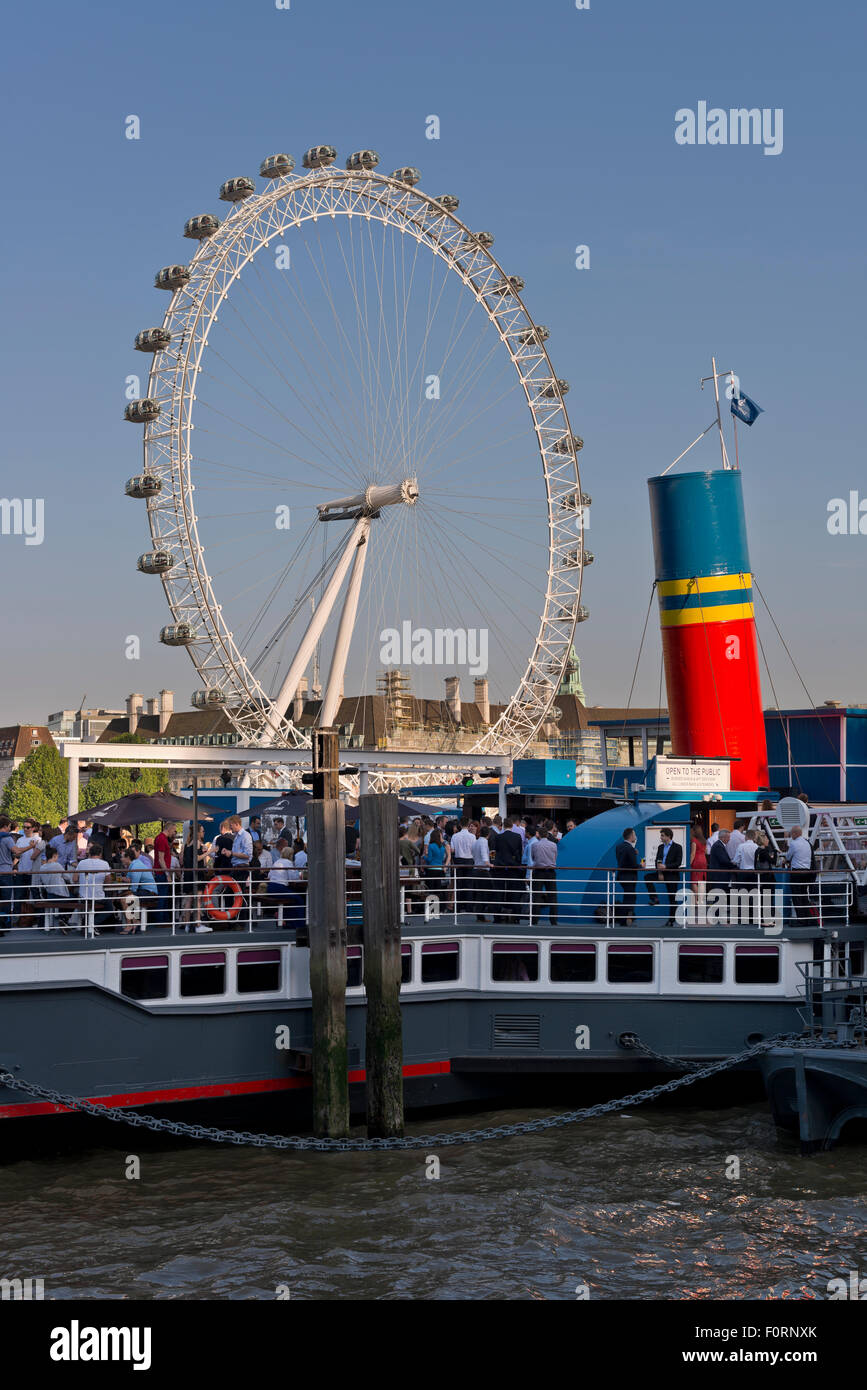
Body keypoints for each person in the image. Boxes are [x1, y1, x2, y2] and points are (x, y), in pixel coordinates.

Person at [31, 844, 73, 932]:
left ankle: (63, 920)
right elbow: (67, 877)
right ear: (54, 856)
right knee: (74, 899)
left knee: (66, 901)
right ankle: (64, 918)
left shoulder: (42, 867)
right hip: (60, 895)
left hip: (50, 895)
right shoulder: (57, 865)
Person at [74, 842, 113, 933]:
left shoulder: (81, 863)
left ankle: (89, 925)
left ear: (90, 853)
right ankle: (92, 924)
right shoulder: (104, 864)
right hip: (98, 897)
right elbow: (108, 882)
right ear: (100, 854)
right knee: (110, 908)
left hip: (83, 897)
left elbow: (75, 879)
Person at [646, 828, 682, 925]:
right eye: (661, 835)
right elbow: (657, 860)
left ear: (668, 836)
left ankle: (671, 920)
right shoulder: (660, 847)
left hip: (672, 875)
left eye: (662, 835)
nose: (660, 837)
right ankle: (654, 898)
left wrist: (666, 867)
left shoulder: (678, 847)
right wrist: (659, 873)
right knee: (647, 877)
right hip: (661, 873)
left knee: (672, 898)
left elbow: (678, 862)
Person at [493, 817, 524, 923]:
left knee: (498, 893)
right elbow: (520, 852)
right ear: (512, 826)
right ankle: (516, 917)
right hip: (513, 867)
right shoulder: (517, 837)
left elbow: (495, 851)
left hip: (500, 868)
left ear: (503, 825)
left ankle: (497, 917)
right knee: (514, 893)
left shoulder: (498, 837)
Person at [529, 822, 558, 926]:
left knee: (537, 896)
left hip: (539, 871)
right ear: (547, 834)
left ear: (539, 835)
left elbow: (533, 858)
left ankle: (534, 921)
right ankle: (553, 921)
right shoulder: (554, 845)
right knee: (553, 897)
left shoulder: (535, 845)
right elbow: (555, 857)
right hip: (550, 871)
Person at [229, 815, 254, 928]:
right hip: (236, 868)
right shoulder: (238, 836)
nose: (230, 828)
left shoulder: (245, 836)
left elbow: (248, 855)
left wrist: (231, 853)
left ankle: (242, 921)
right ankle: (239, 920)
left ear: (236, 824)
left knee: (239, 894)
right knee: (236, 894)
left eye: (231, 826)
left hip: (241, 868)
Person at [785, 826, 815, 919]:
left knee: (796, 896)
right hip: (807, 871)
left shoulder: (794, 843)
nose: (791, 836)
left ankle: (801, 919)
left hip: (797, 872)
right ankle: (807, 917)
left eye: (791, 834)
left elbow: (788, 857)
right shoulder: (808, 843)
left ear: (794, 833)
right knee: (804, 895)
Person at [449, 819, 476, 915]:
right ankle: (469, 908)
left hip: (458, 861)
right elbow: (474, 849)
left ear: (460, 824)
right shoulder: (472, 836)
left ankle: (458, 907)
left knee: (458, 885)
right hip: (469, 861)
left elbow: (452, 850)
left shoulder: (455, 836)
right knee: (469, 885)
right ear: (468, 825)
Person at [128, 842, 159, 925]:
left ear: (139, 851)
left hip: (149, 892)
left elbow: (135, 882)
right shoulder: (133, 863)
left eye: (132, 852)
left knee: (129, 897)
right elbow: (129, 878)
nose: (131, 854)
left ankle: (133, 923)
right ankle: (132, 922)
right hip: (144, 889)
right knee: (126, 897)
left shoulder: (138, 863)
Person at [153, 821, 176, 926]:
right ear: (169, 829)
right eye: (174, 831)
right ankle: (161, 920)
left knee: (164, 897)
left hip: (160, 872)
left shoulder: (161, 838)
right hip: (161, 872)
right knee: (163, 897)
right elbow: (161, 859)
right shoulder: (162, 839)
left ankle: (164, 920)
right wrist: (167, 874)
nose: (174, 833)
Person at [707, 829, 734, 921]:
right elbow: (723, 860)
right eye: (728, 837)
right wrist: (734, 864)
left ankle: (718, 915)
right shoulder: (718, 846)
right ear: (722, 837)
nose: (729, 839)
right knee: (719, 895)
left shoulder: (719, 845)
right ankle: (718, 916)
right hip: (719, 875)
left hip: (719, 875)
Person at [615, 827, 639, 925]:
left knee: (629, 897)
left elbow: (623, 860)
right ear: (631, 836)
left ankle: (628, 917)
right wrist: (641, 866)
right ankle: (624, 920)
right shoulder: (630, 848)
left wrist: (633, 851)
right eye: (634, 834)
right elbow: (633, 865)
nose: (635, 837)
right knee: (630, 897)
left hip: (621, 876)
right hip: (629, 877)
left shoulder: (619, 847)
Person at [421, 828, 449, 907]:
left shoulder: (431, 846)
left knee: (431, 889)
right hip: (439, 870)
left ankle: (431, 908)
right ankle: (439, 908)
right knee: (438, 889)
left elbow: (429, 859)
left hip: (431, 870)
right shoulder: (442, 847)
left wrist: (424, 857)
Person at [470, 820, 492, 921]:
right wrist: (489, 863)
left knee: (480, 893)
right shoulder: (484, 842)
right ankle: (480, 913)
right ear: (488, 834)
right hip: (482, 870)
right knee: (487, 892)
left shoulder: (476, 841)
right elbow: (484, 855)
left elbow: (473, 854)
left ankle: (480, 915)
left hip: (476, 869)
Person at [690, 826, 708, 922]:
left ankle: (696, 900)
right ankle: (701, 900)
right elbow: (706, 851)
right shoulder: (703, 840)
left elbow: (692, 853)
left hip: (696, 860)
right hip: (703, 860)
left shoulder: (694, 840)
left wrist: (689, 863)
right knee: (701, 880)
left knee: (694, 881)